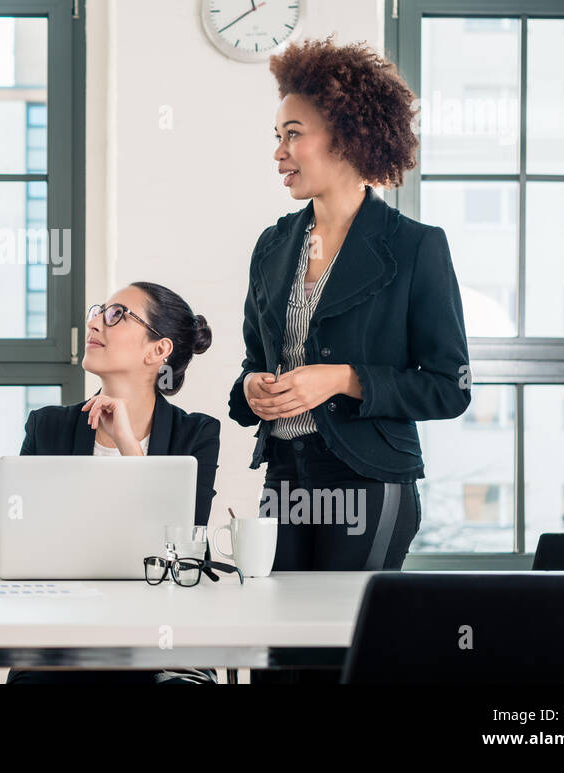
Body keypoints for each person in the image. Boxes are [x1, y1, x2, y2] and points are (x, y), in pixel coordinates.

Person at [227, 36, 471, 683]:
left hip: (370, 479)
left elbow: (449, 385)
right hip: (286, 474)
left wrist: (343, 378)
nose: (278, 153)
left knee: (343, 660)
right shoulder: (272, 246)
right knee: (279, 659)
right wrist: (252, 386)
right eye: (276, 135)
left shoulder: (416, 247)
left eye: (293, 134)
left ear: (346, 134)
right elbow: (254, 359)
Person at [0, 282, 221, 684]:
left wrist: (128, 445)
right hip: (66, 638)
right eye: (99, 311)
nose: (96, 322)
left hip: (164, 643)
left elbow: (182, 554)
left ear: (159, 350)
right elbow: (9, 549)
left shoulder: (196, 435)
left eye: (116, 315)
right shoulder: (49, 427)